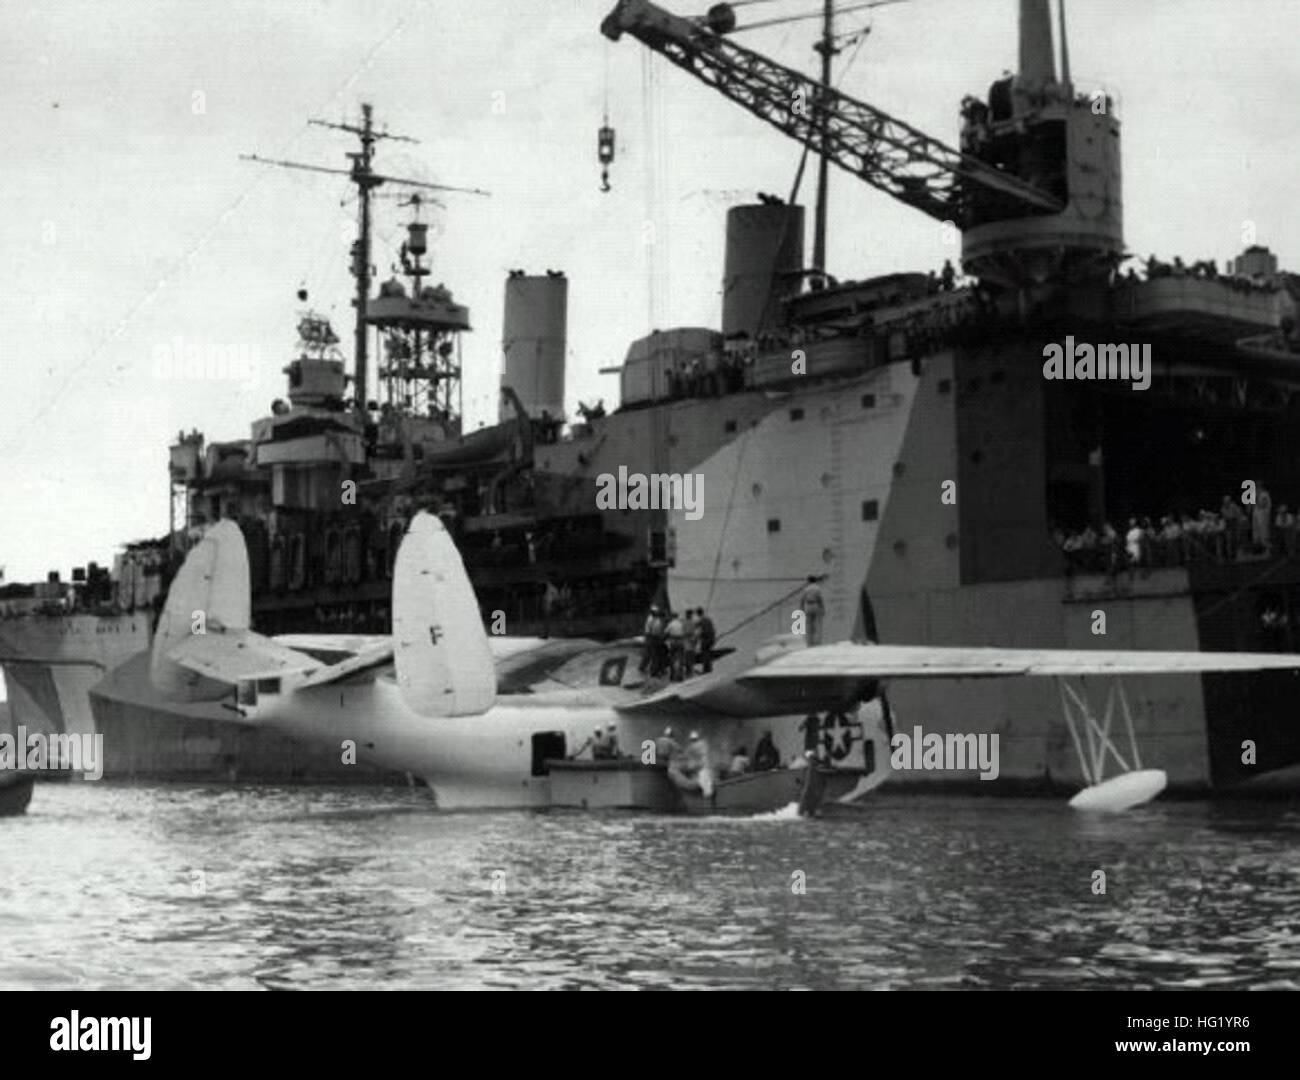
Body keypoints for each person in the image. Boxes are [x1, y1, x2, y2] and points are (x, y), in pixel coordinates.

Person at [800, 574, 826, 646]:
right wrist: (823, 608)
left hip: (808, 605)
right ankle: (817, 641)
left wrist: (801, 608)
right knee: (817, 624)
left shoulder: (806, 589)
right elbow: (820, 598)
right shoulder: (817, 588)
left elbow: (802, 599)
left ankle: (809, 641)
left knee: (809, 624)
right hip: (816, 604)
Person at [665, 610, 685, 680]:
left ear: (672, 617)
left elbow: (666, 632)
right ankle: (680, 676)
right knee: (681, 658)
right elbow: (684, 633)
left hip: (673, 642)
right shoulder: (681, 623)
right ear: (677, 617)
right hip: (681, 641)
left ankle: (672, 675)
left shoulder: (670, 624)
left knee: (672, 658)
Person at [696, 608, 716, 673]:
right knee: (708, 652)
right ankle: (709, 667)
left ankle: (706, 669)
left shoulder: (701, 620)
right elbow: (712, 629)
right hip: (712, 638)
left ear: (698, 614)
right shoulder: (708, 619)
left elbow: (697, 627)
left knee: (704, 653)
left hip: (706, 639)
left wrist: (698, 636)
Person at [681, 608, 698, 677]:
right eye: (691, 614)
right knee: (689, 657)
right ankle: (689, 672)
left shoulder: (684, 622)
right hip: (689, 642)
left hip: (687, 642)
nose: (692, 615)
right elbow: (692, 633)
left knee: (688, 657)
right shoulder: (690, 622)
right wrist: (695, 640)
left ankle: (689, 672)